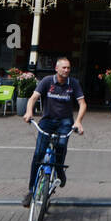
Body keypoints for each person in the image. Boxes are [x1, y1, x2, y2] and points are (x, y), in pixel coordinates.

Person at [21, 57, 86, 206]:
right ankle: (31, 191)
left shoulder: (73, 84)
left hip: (65, 121)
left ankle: (59, 169)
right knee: (38, 154)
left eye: (68, 68)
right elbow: (33, 98)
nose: (67, 70)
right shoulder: (47, 81)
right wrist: (29, 112)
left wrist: (78, 121)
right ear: (56, 69)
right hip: (48, 120)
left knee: (61, 146)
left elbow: (82, 104)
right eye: (64, 67)